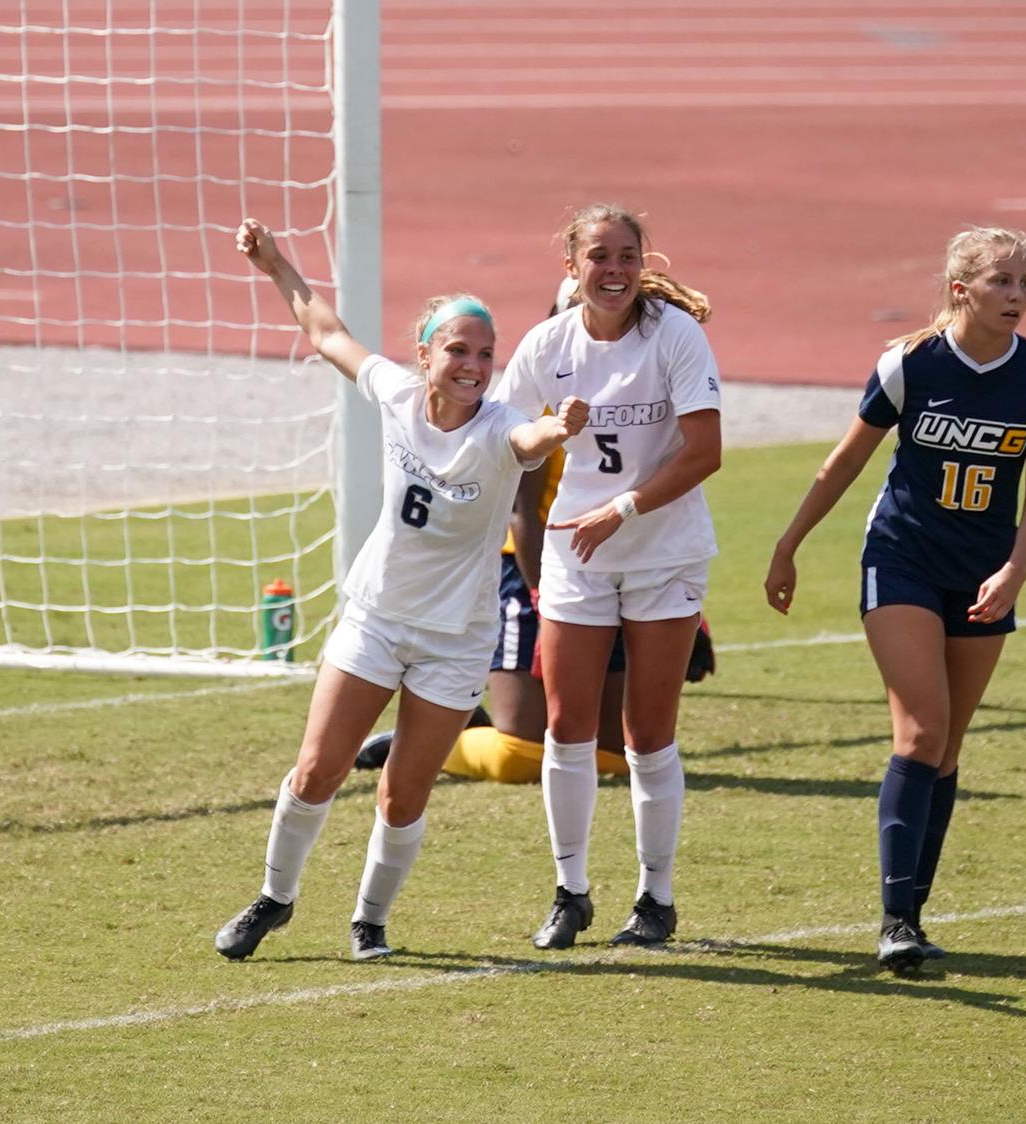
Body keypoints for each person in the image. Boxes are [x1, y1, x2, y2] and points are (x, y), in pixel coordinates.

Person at [212, 218, 586, 961]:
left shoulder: (503, 427)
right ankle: (273, 899)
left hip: (455, 640)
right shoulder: (395, 393)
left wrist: (559, 429)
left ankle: (369, 923)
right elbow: (325, 331)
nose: (474, 364)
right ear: (425, 355)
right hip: (376, 619)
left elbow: (529, 442)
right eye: (458, 350)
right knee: (317, 770)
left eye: (485, 353)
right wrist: (275, 262)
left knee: (404, 794)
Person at [762, 226, 1026, 972]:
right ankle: (895, 919)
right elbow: (845, 461)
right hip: (900, 561)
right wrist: (787, 544)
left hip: (984, 574)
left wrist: (1014, 574)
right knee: (921, 731)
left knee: (947, 746)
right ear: (961, 290)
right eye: (1003, 282)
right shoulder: (910, 364)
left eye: (1025, 283)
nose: (1018, 296)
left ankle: (915, 913)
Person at [354, 279, 717, 785]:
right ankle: (439, 739)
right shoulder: (547, 380)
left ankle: (461, 720)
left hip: (618, 566)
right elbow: (524, 511)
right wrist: (543, 599)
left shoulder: (652, 370)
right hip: (535, 569)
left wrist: (693, 617)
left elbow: (676, 491)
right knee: (520, 754)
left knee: (617, 745)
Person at [493, 203, 722, 949]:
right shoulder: (546, 345)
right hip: (576, 556)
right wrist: (546, 434)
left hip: (662, 552)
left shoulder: (675, 336)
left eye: (627, 255)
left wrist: (621, 508)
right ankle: (571, 891)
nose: (614, 269)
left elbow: (704, 451)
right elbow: (507, 439)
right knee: (565, 725)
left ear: (642, 263)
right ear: (572, 267)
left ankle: (655, 898)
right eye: (599, 256)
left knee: (648, 735)